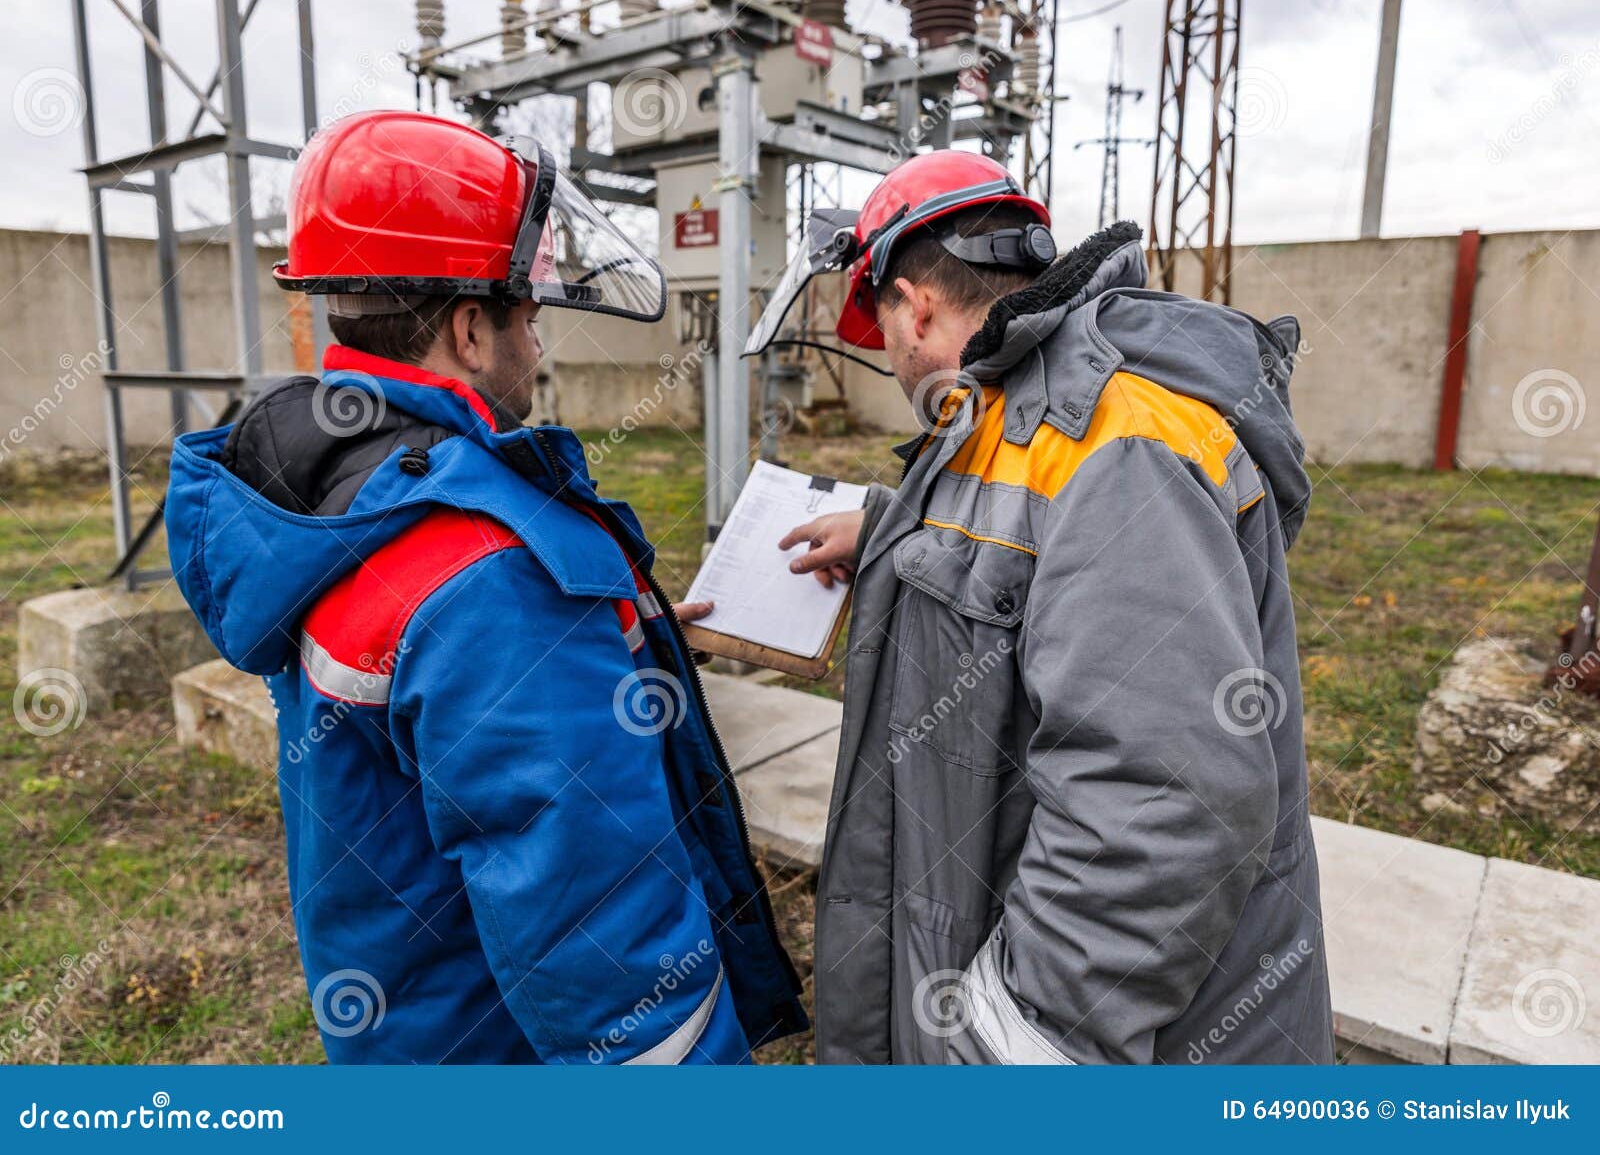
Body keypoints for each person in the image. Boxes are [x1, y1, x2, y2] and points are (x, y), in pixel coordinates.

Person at [164, 111, 805, 1064]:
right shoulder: (493, 577)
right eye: (530, 315)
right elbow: (607, 952)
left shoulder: (335, 498)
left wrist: (604, 639)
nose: (537, 345)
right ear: (471, 327)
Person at [759, 150, 1333, 1063]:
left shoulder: (1120, 438)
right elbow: (1029, 540)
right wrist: (885, 527)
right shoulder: (1022, 403)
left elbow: (1164, 797)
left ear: (917, 307)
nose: (897, 364)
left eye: (891, 338)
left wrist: (1013, 1038)